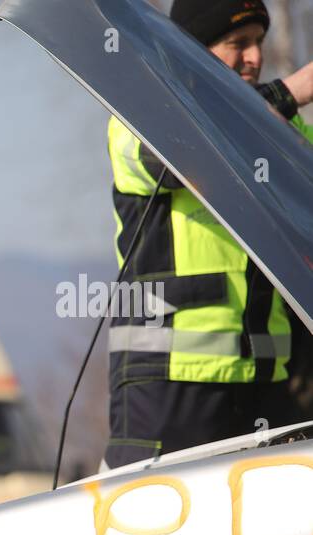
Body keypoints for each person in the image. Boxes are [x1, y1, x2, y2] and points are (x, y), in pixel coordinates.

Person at [103, 0, 313, 468]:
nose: (255, 56)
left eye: (259, 42)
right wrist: (289, 92)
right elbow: (201, 147)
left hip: (269, 387)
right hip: (168, 387)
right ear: (191, 53)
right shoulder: (139, 118)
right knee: (156, 530)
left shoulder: (286, 127)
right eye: (238, 43)